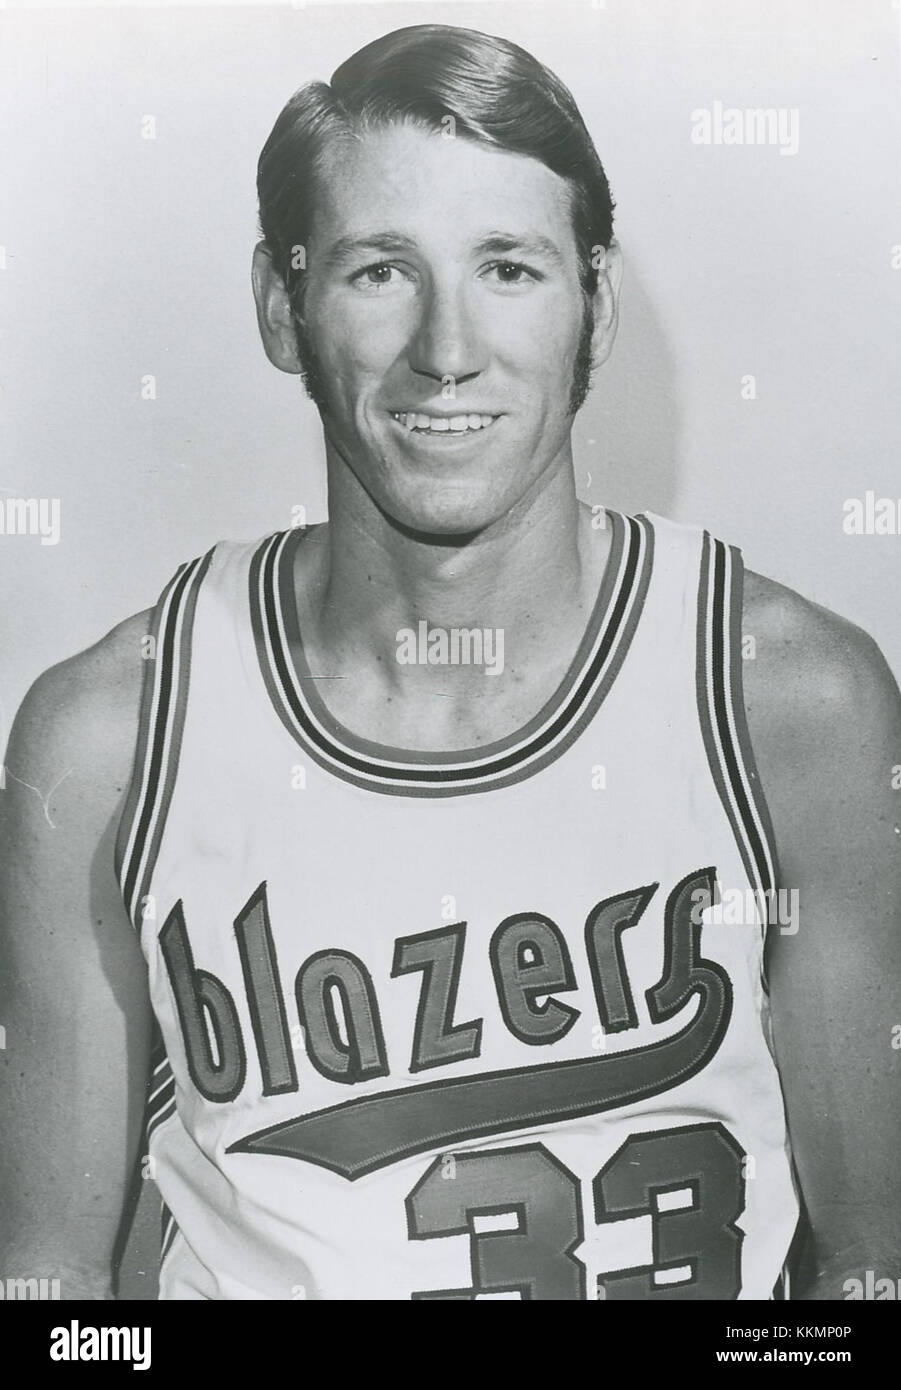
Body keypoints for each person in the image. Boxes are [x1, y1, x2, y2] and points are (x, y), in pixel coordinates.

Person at [1, 23, 898, 1302]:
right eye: (379, 270)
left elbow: (872, 1277)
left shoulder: (788, 702)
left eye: (509, 269)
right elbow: (49, 1304)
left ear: (597, 302)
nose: (447, 350)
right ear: (280, 304)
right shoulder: (105, 741)